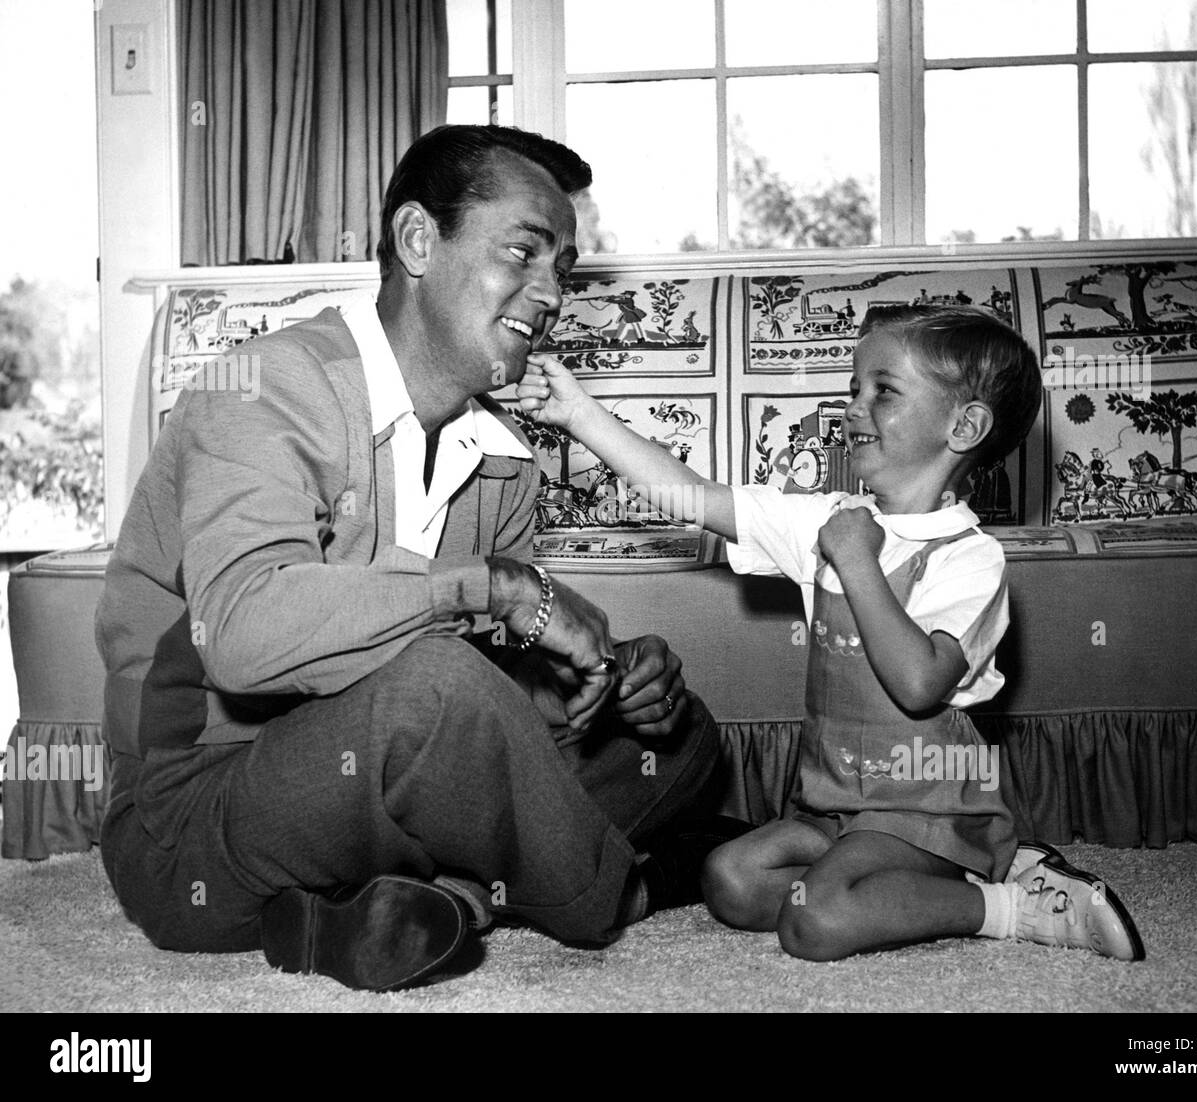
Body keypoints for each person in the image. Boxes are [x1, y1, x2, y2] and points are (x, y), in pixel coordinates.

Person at [96, 124, 740, 993]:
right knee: (432, 685)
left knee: (683, 731)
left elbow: (499, 705)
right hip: (196, 816)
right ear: (416, 241)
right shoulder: (262, 386)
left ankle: (430, 905)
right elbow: (243, 636)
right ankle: (617, 892)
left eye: (565, 271)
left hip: (378, 791)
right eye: (524, 253)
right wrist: (493, 588)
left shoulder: (502, 456)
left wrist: (603, 687)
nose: (550, 295)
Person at [518, 303, 1145, 963]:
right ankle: (947, 875)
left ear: (964, 426)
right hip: (834, 801)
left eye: (884, 391)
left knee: (814, 921)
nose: (853, 407)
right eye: (854, 388)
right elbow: (696, 500)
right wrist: (580, 416)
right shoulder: (828, 517)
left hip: (926, 804)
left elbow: (918, 682)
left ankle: (1010, 905)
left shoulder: (968, 557)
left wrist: (855, 560)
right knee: (730, 881)